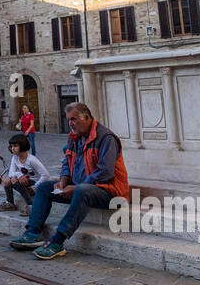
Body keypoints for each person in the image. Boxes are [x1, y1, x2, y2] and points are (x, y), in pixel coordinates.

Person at [9, 102, 128, 261]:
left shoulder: (106, 138)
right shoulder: (74, 137)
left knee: (82, 190)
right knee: (45, 187)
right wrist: (64, 179)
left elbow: (105, 172)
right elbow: (67, 161)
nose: (70, 123)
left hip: (110, 192)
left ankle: (57, 241)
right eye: (69, 119)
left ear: (86, 117)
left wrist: (76, 186)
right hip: (79, 187)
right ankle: (32, 232)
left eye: (74, 119)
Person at [0, 133, 49, 211]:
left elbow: (46, 175)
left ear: (23, 145)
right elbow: (11, 173)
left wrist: (35, 187)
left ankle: (31, 205)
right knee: (8, 180)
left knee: (13, 179)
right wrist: (19, 175)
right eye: (12, 146)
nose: (13, 148)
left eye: (15, 146)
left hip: (34, 184)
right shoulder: (15, 158)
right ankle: (10, 203)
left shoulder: (32, 160)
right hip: (23, 182)